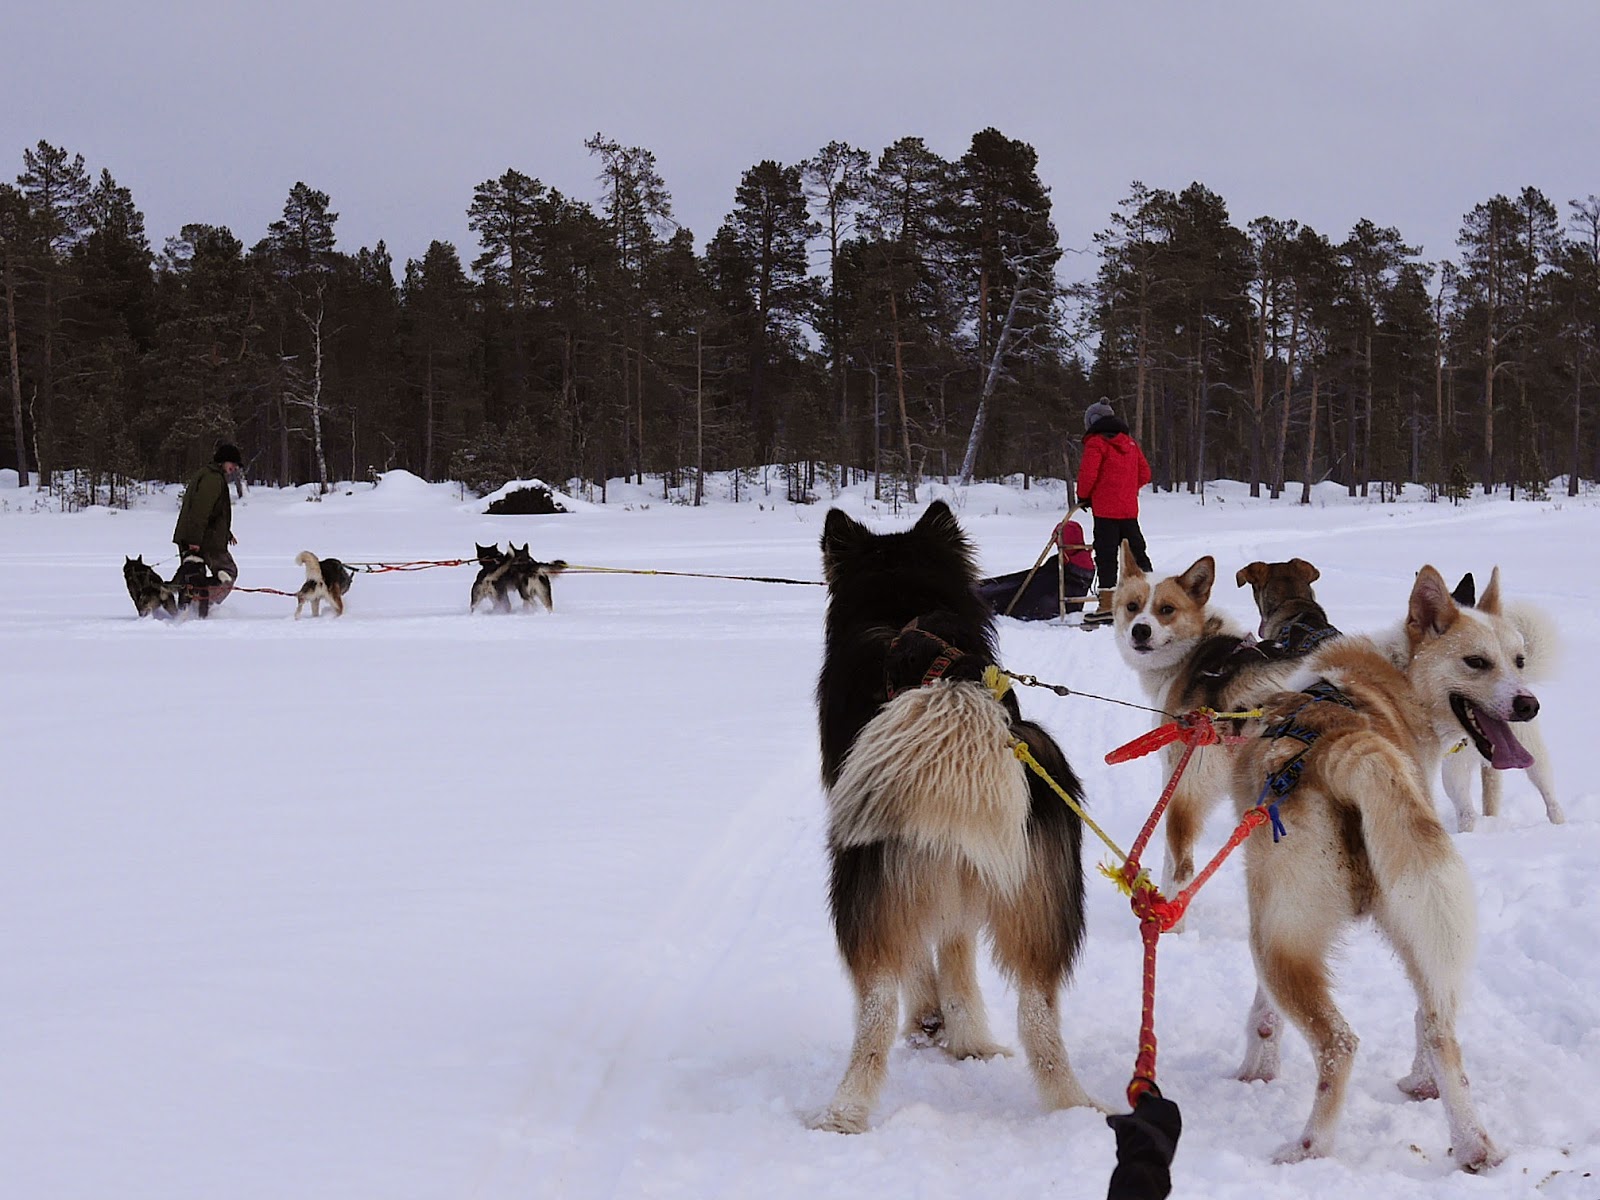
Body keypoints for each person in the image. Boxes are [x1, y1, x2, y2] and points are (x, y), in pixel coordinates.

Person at [1076, 399, 1152, 625]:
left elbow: (1088, 475)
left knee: (1106, 556)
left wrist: (1084, 496)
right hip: (1128, 511)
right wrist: (1127, 489)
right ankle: (1150, 596)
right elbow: (1145, 474)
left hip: (1105, 512)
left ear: (1092, 422)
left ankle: (1107, 604)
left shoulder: (1096, 443)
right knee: (1137, 553)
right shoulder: (1130, 444)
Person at [173, 442, 243, 608]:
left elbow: (213, 513)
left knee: (193, 576)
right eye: (232, 463)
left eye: (236, 465)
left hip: (199, 535)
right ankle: (201, 605)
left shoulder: (210, 475)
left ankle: (190, 606)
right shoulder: (212, 479)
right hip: (204, 539)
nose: (235, 467)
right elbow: (200, 510)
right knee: (228, 572)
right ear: (222, 461)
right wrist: (195, 540)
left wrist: (226, 532)